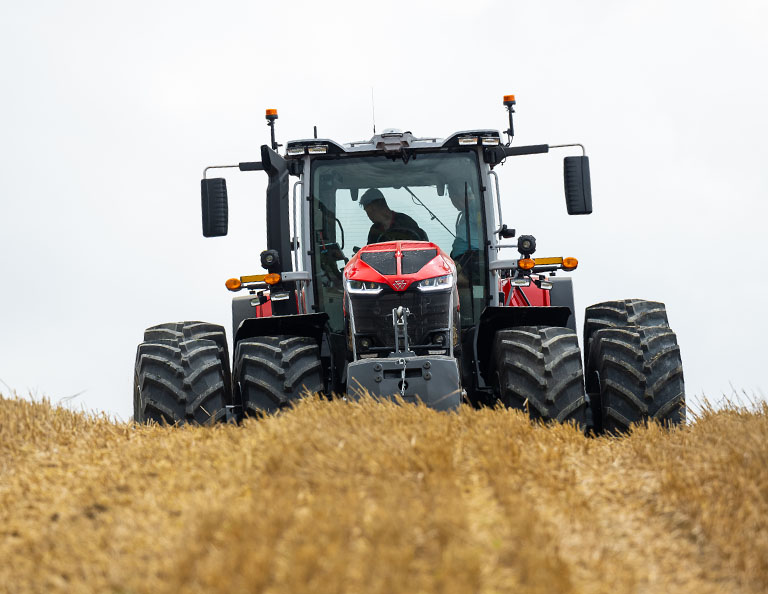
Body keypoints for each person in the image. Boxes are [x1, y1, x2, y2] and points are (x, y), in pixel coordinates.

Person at [360, 188, 428, 244]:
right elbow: (370, 253)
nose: (369, 216)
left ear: (380, 206)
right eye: (367, 212)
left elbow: (420, 245)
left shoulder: (405, 221)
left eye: (370, 211)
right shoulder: (374, 230)